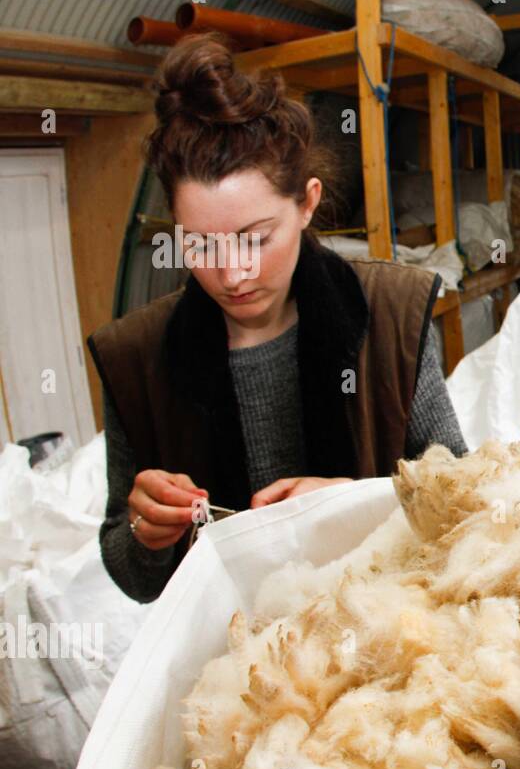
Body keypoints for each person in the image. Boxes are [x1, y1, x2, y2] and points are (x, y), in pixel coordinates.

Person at [87, 33, 466, 603]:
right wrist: (145, 532)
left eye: (255, 239)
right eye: (201, 246)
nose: (233, 274)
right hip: (235, 651)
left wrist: (356, 504)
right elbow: (133, 577)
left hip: (388, 631)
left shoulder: (392, 316)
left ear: (307, 203)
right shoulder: (136, 357)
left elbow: (465, 506)